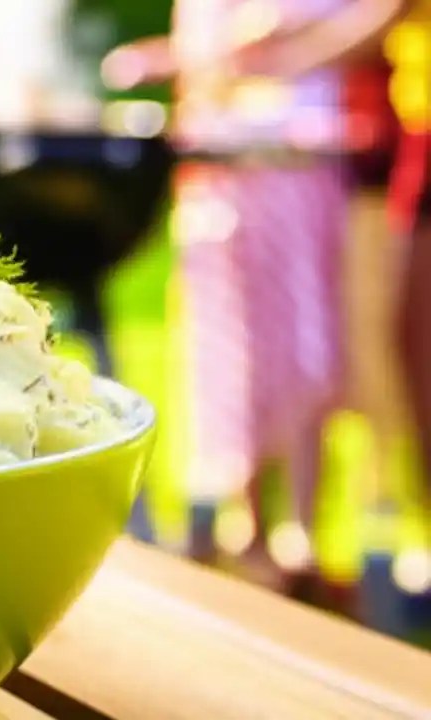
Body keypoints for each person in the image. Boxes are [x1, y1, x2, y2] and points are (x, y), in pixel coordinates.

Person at [104, 0, 427, 577]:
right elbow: (208, 65)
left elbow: (366, 23)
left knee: (309, 347)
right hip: (225, 177)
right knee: (235, 350)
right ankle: (245, 521)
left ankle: (299, 528)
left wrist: (282, 46)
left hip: (307, 165)